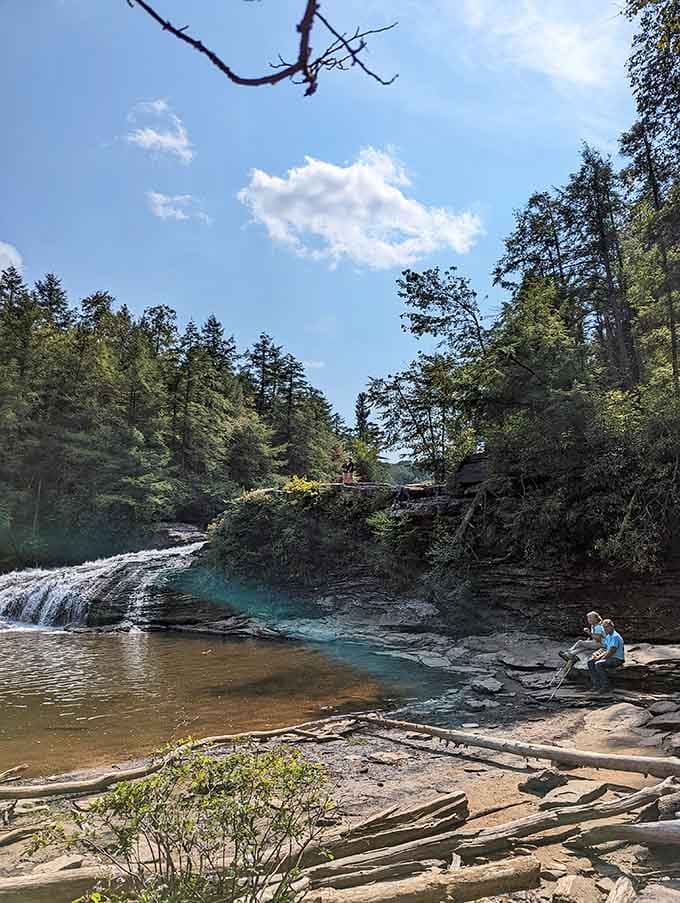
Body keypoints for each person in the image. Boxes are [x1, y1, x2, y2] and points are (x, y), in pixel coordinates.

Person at [587, 619, 625, 691]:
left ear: (611, 626)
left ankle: (605, 686)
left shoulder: (615, 636)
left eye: (606, 627)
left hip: (617, 659)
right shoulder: (608, 636)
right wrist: (597, 656)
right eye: (604, 628)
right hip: (610, 657)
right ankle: (596, 685)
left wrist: (601, 658)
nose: (605, 629)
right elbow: (606, 649)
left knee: (598, 664)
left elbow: (611, 651)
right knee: (591, 662)